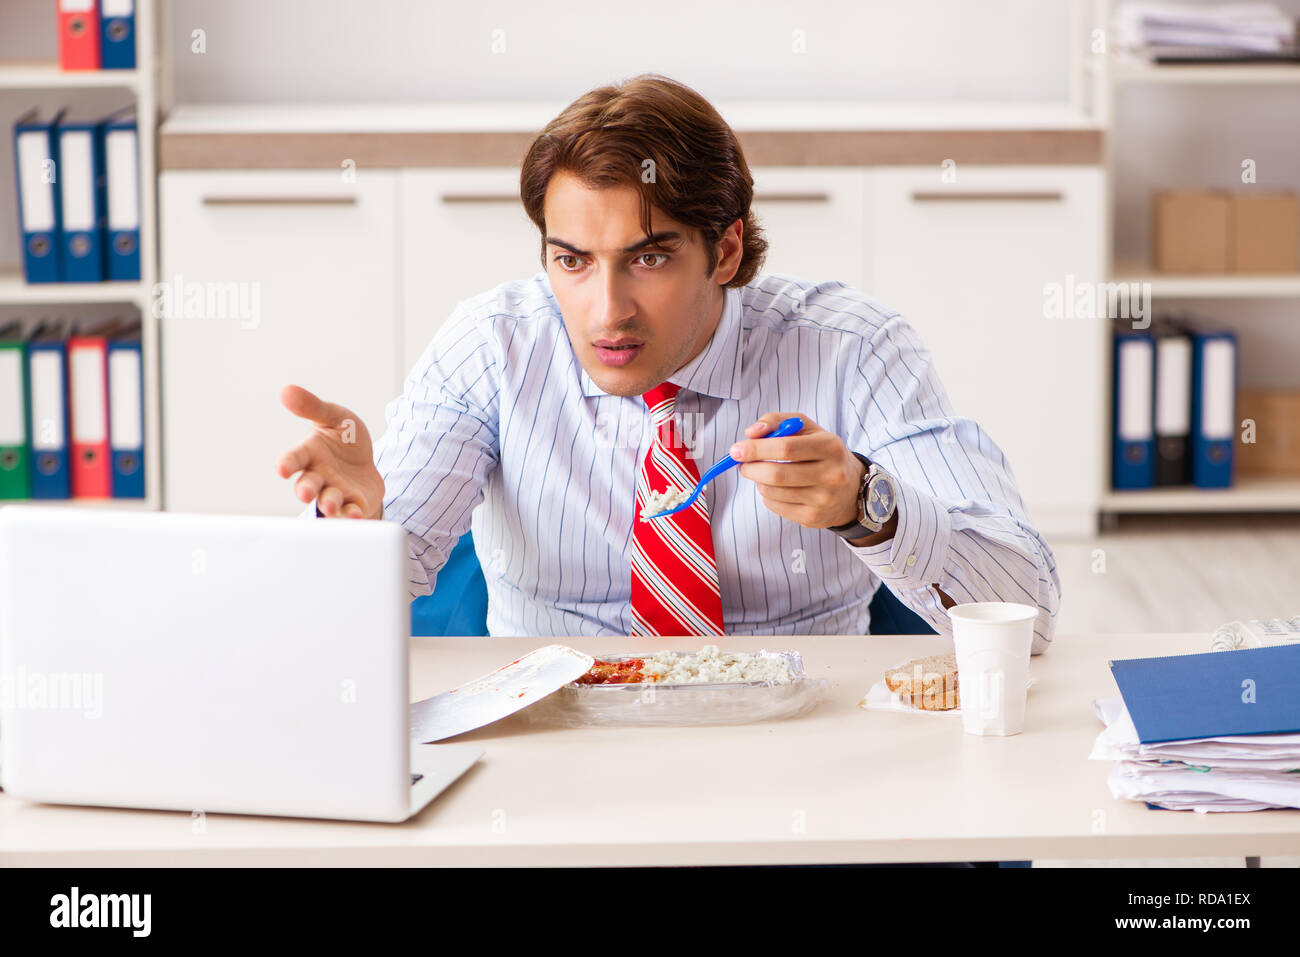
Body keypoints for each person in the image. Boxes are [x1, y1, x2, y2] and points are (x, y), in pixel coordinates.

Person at [276, 72, 1060, 654]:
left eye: (647, 259)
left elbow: (1033, 614)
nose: (606, 310)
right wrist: (353, 528)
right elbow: (352, 611)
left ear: (723, 250)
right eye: (572, 261)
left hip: (802, 740)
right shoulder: (493, 347)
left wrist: (869, 504)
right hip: (556, 737)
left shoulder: (854, 348)